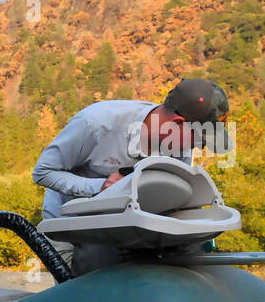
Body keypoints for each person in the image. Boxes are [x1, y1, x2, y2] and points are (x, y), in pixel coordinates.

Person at [33, 78, 230, 221]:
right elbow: (42, 173)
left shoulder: (181, 147)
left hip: (123, 228)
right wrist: (99, 187)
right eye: (200, 141)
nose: (199, 148)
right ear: (178, 123)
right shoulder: (95, 123)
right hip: (67, 222)